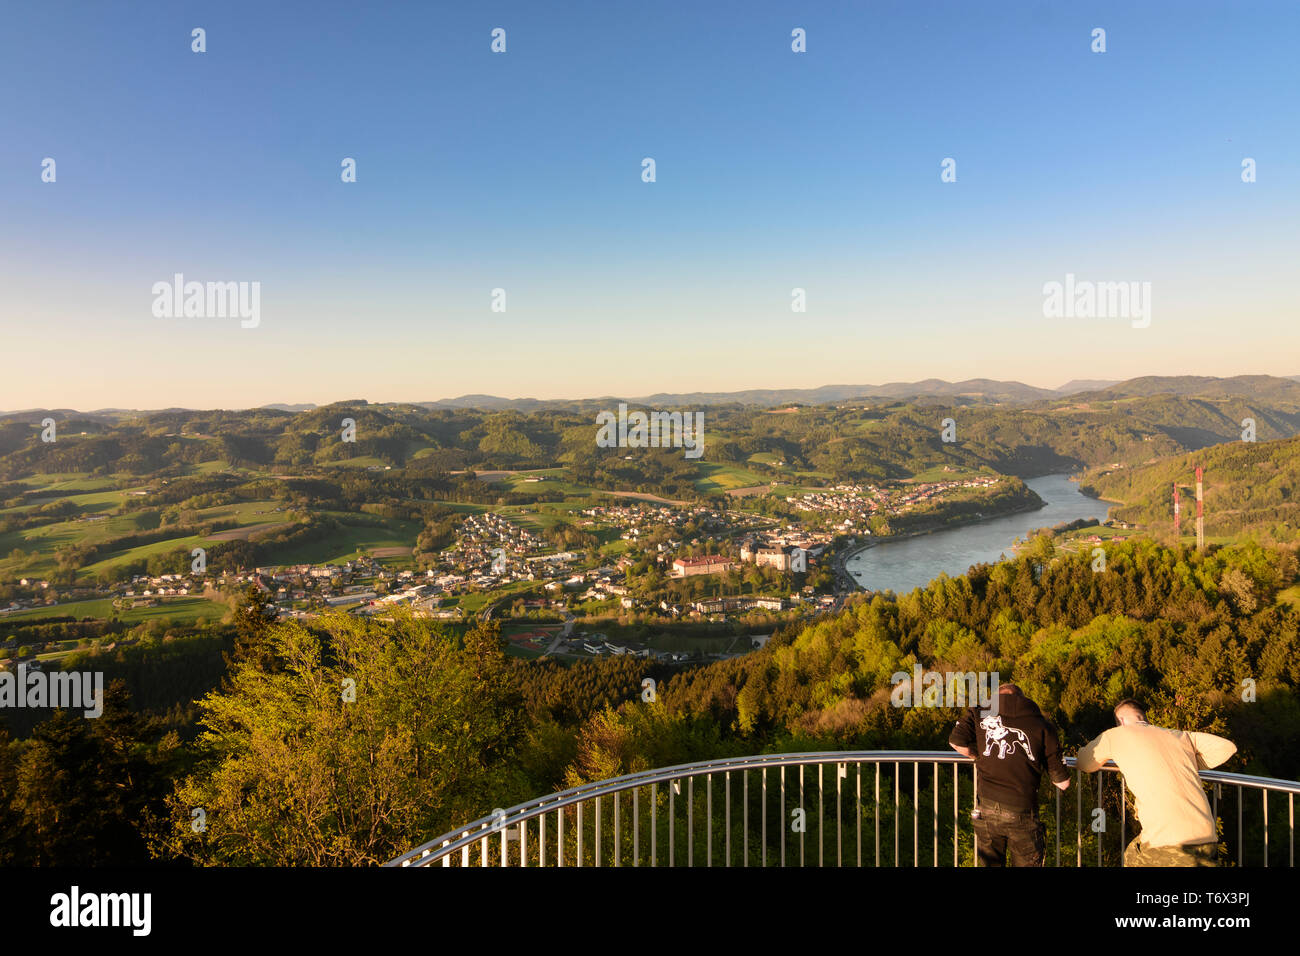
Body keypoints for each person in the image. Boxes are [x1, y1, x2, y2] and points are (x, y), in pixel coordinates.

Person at [1075, 698, 1235, 867]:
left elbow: (1085, 762)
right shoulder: (1179, 735)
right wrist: (1189, 763)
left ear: (1120, 721)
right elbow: (1227, 748)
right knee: (1134, 850)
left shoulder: (1115, 735)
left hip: (1169, 842)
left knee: (1131, 857)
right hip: (1207, 837)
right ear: (1144, 718)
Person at [949, 682, 1071, 866]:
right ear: (1022, 699)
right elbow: (1063, 783)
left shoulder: (978, 712)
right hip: (1022, 812)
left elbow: (957, 743)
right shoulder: (1043, 725)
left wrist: (978, 756)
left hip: (986, 809)